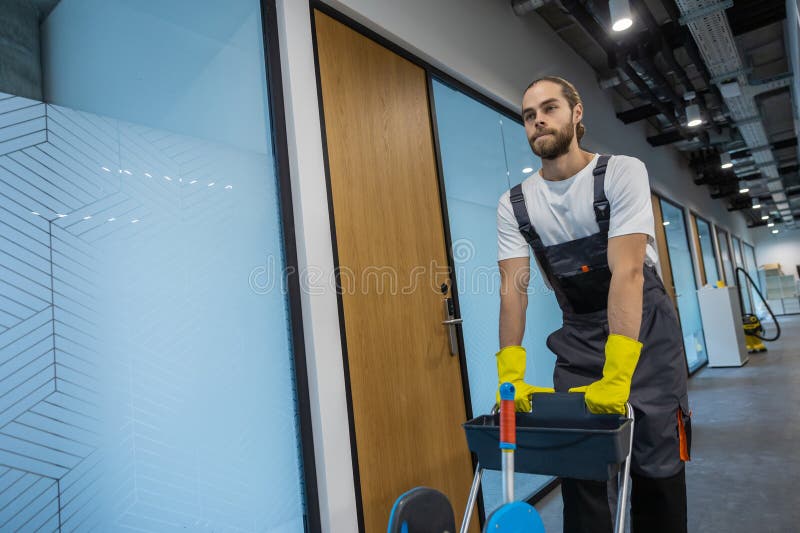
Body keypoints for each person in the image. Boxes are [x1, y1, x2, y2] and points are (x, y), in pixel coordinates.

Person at [494, 76, 691, 533]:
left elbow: (628, 273)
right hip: (579, 340)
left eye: (549, 108)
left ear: (577, 113)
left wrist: (620, 372)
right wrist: (510, 372)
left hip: (646, 334)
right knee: (580, 466)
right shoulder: (515, 204)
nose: (537, 120)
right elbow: (513, 288)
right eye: (528, 115)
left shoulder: (621, 172)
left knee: (655, 461)